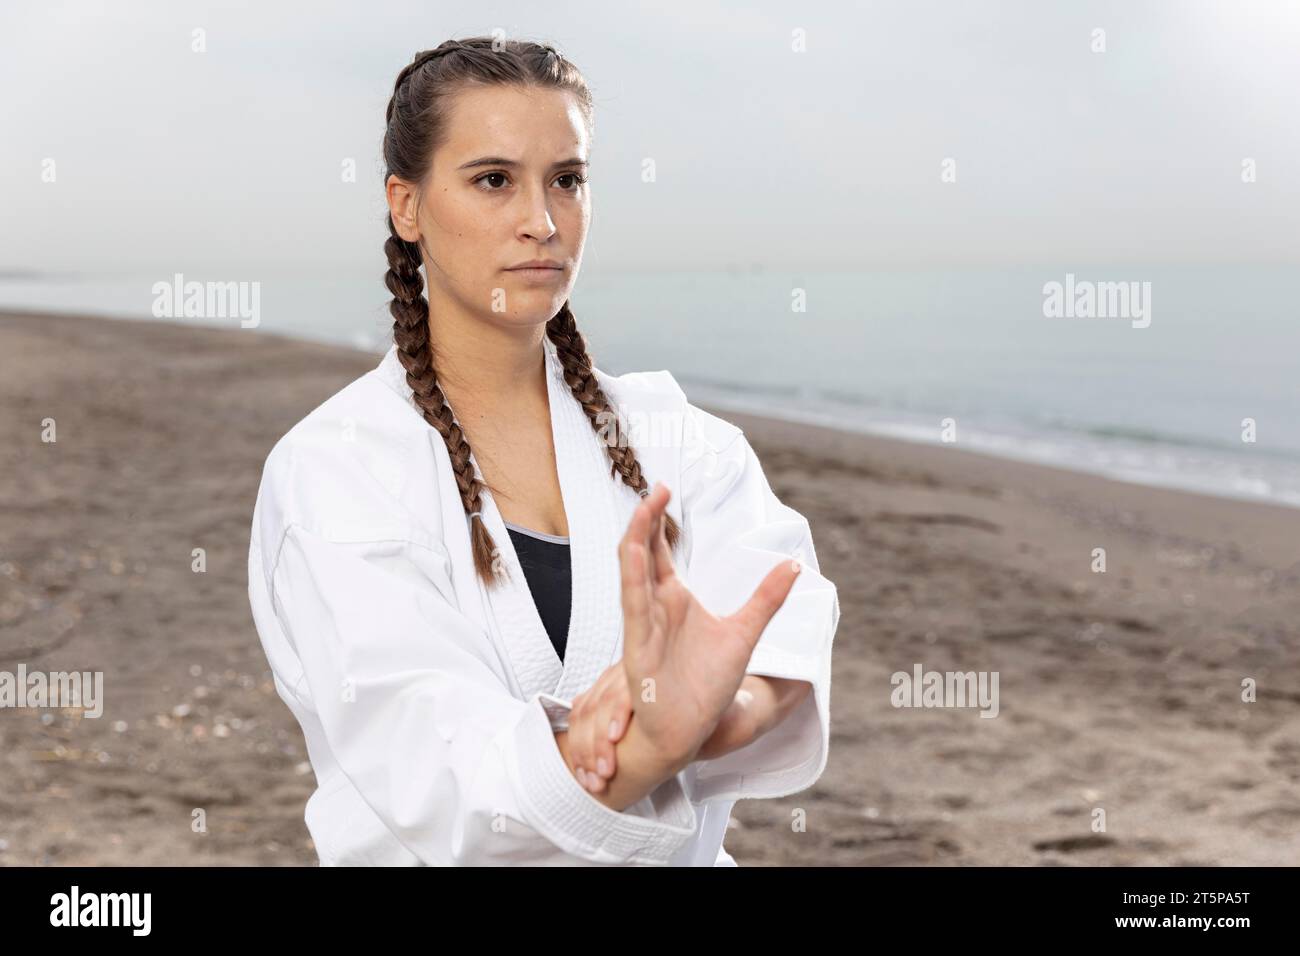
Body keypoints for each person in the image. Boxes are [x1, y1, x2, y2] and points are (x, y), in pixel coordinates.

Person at [246, 37, 840, 866]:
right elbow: (434, 770)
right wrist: (647, 743)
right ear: (406, 206)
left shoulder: (677, 436)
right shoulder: (333, 468)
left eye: (568, 179)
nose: (543, 220)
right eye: (494, 180)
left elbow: (780, 609)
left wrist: (726, 705)